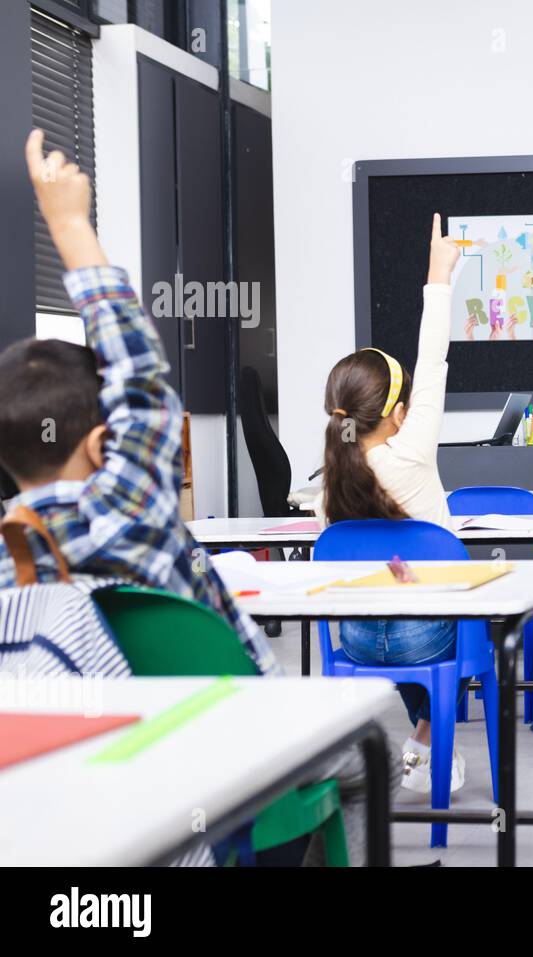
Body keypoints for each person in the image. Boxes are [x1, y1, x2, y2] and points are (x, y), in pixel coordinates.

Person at [1, 129, 396, 865]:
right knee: (382, 741)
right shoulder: (132, 507)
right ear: (100, 445)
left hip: (105, 799)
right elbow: (140, 371)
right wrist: (70, 226)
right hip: (235, 771)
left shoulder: (7, 560)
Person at [312, 213, 465, 791]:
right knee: (469, 623)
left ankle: (425, 733)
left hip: (355, 640)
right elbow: (435, 360)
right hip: (422, 634)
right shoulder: (412, 453)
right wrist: (439, 275)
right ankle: (430, 735)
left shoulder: (333, 475)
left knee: (392, 621)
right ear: (398, 412)